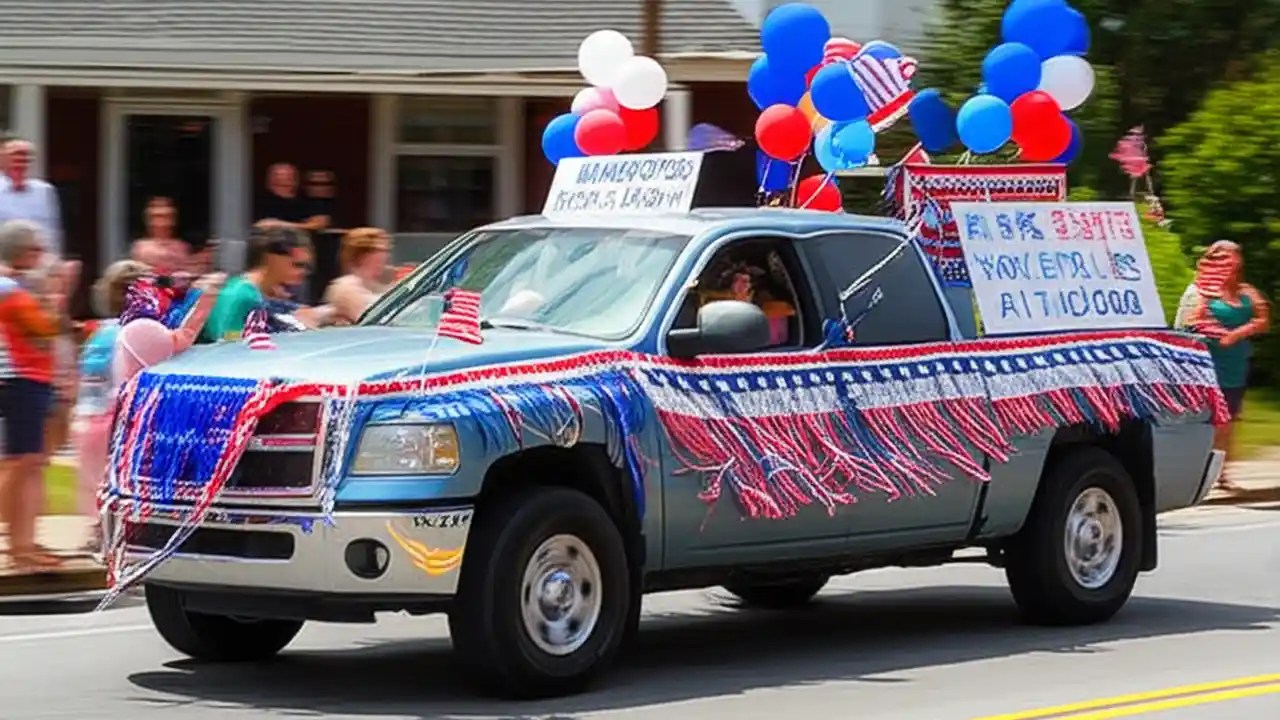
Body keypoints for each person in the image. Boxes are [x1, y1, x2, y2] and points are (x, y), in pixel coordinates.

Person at [0, 220, 68, 570]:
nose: (41, 255)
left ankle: (23, 544)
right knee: (21, 462)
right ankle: (19, 548)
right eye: (36, 249)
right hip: (22, 381)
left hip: (29, 380)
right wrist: (59, 294)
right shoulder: (11, 289)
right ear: (22, 251)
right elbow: (46, 327)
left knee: (28, 463)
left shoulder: (16, 286)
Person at [1184, 240, 1271, 491]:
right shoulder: (1204, 293)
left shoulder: (1246, 292)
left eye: (1233, 256)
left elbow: (1263, 319)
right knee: (1213, 422)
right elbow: (1192, 323)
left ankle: (1222, 474)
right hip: (1210, 366)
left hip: (1236, 366)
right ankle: (1205, 473)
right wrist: (1216, 331)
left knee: (1228, 422)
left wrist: (1239, 332)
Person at [199, 224, 326, 343]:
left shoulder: (265, 295)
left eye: (306, 267)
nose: (303, 273)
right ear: (272, 259)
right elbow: (225, 342)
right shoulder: (240, 294)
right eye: (297, 265)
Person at [0, 140, 63, 259]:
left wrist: (53, 260)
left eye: (25, 155)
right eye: (15, 154)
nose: (20, 159)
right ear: (2, 159)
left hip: (37, 265)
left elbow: (52, 229)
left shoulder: (44, 190)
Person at [324, 227, 392, 324]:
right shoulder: (345, 287)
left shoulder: (379, 286)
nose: (385, 256)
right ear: (363, 255)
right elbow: (368, 320)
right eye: (379, 250)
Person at [257, 163, 329, 234]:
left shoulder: (309, 202)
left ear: (295, 181)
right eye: (278, 176)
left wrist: (280, 225)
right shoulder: (257, 202)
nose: (283, 180)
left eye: (288, 177)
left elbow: (319, 224)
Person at [131, 197, 191, 277]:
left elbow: (187, 277)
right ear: (149, 220)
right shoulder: (140, 248)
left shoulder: (182, 247)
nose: (162, 223)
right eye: (157, 217)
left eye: (167, 217)